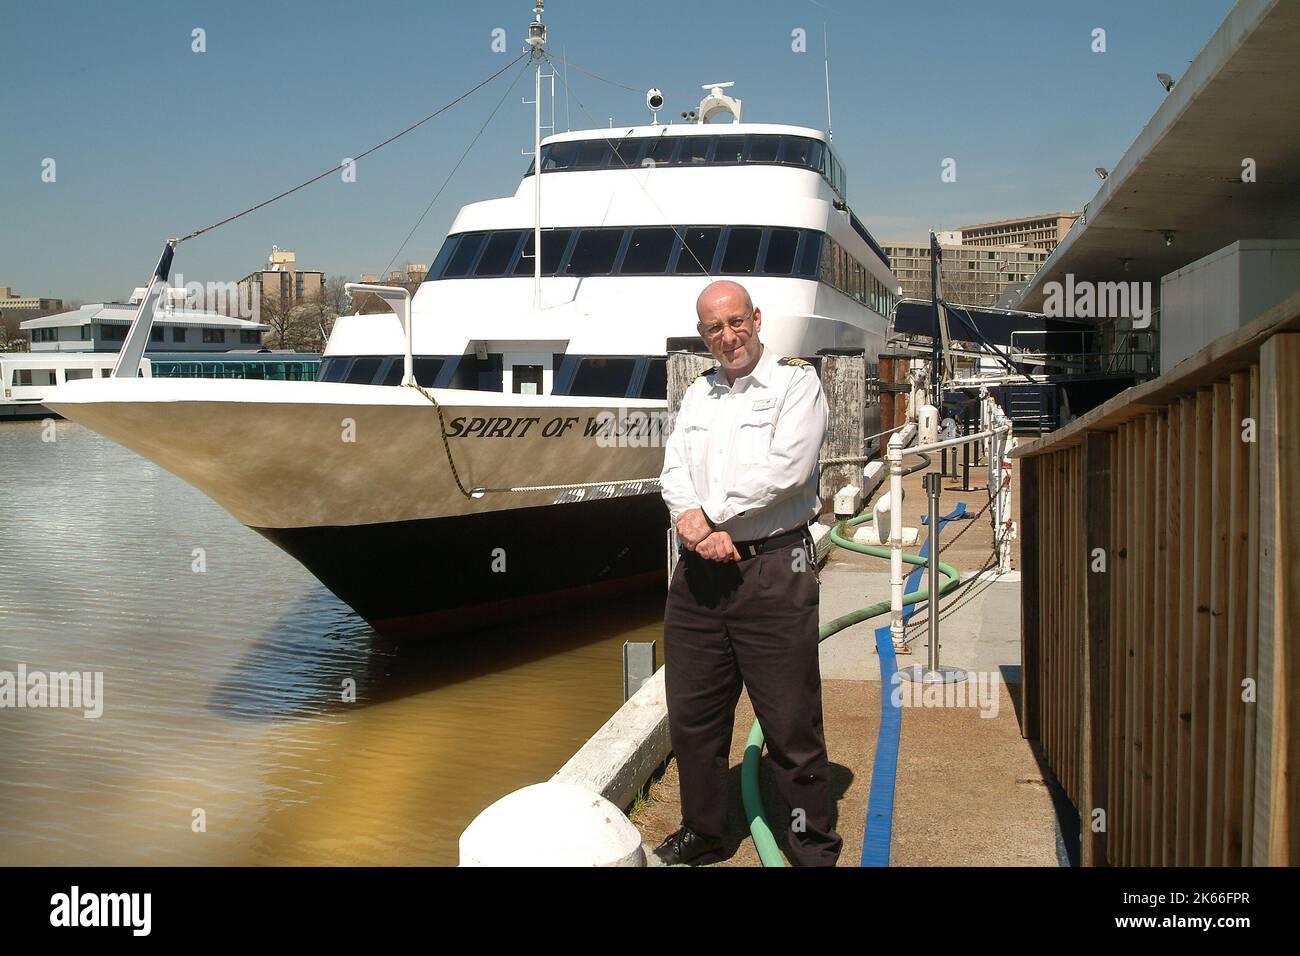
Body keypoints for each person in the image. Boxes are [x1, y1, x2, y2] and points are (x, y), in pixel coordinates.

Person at [654, 279, 842, 867]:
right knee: (693, 717)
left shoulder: (796, 382)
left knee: (789, 722)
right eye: (714, 327)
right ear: (703, 334)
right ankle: (704, 830)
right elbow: (673, 468)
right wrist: (692, 523)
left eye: (736, 322)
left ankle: (810, 846)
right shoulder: (698, 396)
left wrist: (709, 514)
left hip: (770, 572)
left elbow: (785, 470)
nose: (728, 335)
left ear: (755, 319)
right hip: (698, 578)